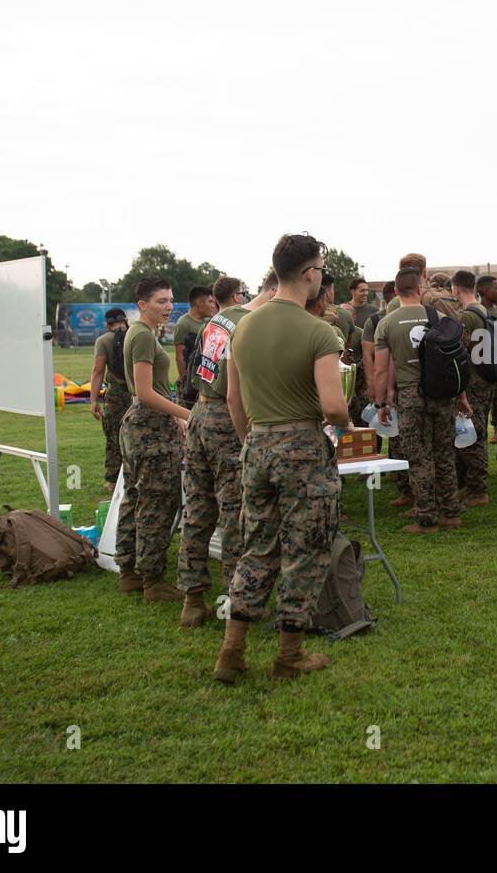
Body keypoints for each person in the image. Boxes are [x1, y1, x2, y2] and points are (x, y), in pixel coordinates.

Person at [213, 233, 350, 684]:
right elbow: (332, 406)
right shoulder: (319, 331)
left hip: (258, 445)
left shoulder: (242, 326)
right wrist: (347, 427)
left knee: (258, 547)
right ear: (310, 274)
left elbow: (233, 397)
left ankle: (231, 651)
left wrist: (251, 441)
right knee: (305, 551)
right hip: (304, 449)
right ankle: (289, 654)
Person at [176, 274, 269, 627]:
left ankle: (192, 598)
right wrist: (248, 436)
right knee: (234, 511)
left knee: (198, 508)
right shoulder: (249, 323)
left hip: (200, 412)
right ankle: (235, 598)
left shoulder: (219, 317)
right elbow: (239, 390)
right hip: (226, 418)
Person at [374, 267, 470, 533]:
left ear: (395, 292)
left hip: (409, 396)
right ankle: (451, 514)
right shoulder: (438, 316)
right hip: (441, 394)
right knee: (444, 454)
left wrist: (382, 402)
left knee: (418, 459)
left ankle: (426, 517)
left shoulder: (387, 323)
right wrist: (461, 396)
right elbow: (455, 360)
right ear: (420, 289)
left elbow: (381, 369)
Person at [115, 277, 190, 602]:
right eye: (161, 301)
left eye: (171, 301)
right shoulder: (143, 336)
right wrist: (187, 414)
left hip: (141, 424)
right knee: (157, 502)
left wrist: (175, 415)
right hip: (150, 429)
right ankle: (153, 581)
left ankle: (129, 570)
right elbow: (145, 392)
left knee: (135, 498)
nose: (169, 307)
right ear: (142, 304)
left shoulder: (138, 332)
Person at [458, 275, 497, 499]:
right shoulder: (474, 313)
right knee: (478, 424)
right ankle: (478, 471)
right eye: (496, 288)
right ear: (484, 290)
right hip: (480, 376)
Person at [363, 280, 410, 506]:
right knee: (386, 432)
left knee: (400, 438)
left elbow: (384, 363)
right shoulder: (376, 321)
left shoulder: (393, 321)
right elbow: (370, 355)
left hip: (400, 387)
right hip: (398, 386)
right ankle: (380, 471)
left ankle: (405, 485)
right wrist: (375, 386)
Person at [89, 308, 130, 491]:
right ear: (125, 320)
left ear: (108, 324)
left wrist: (93, 400)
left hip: (115, 396)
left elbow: (98, 371)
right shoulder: (136, 335)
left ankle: (113, 481)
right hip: (137, 393)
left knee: (113, 438)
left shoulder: (103, 341)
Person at [172, 286, 216, 410]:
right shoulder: (183, 324)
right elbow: (179, 357)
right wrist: (186, 383)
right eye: (210, 301)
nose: (213, 305)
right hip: (189, 384)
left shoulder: (209, 321)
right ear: (199, 303)